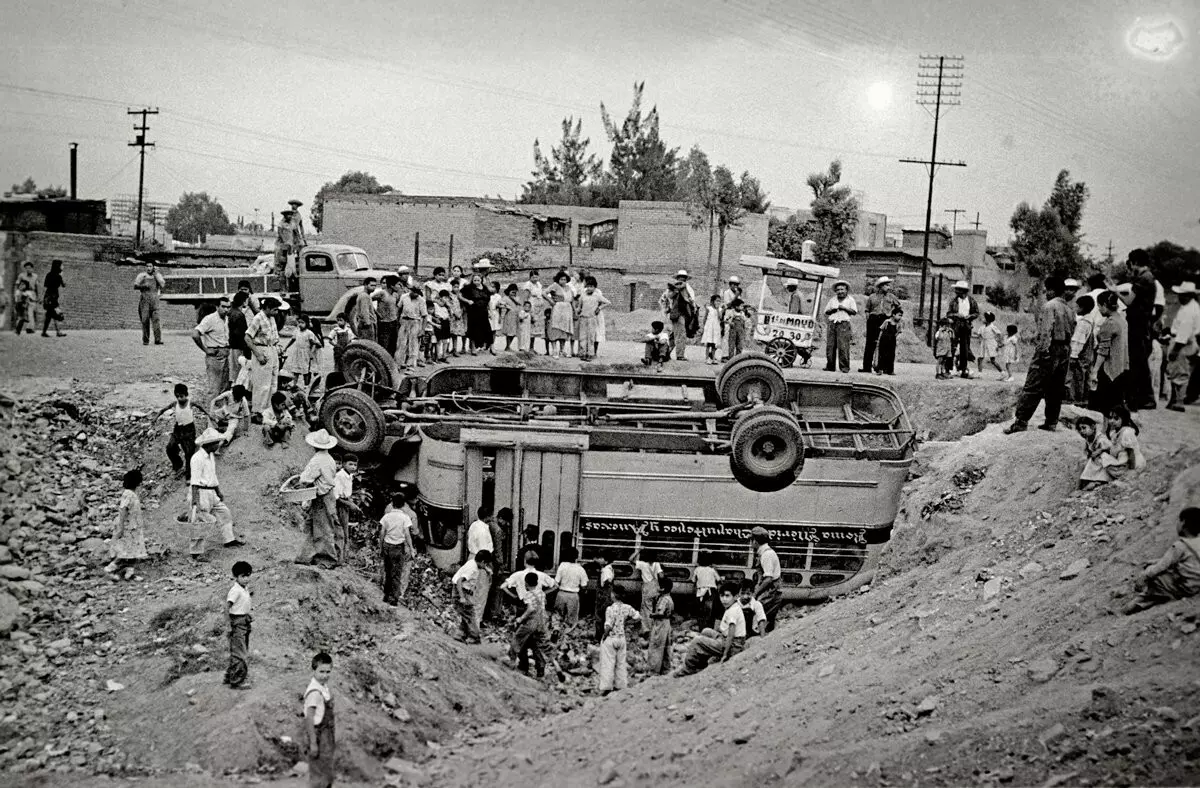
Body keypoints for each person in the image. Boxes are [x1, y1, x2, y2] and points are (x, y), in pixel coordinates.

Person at [1005, 277, 1076, 434]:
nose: (1045, 293)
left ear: (1051, 290)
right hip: (1064, 349)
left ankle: (1021, 421)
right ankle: (1051, 422)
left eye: (1046, 290)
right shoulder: (1070, 309)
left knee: (1033, 385)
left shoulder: (1049, 306)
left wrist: (1043, 352)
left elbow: (1045, 332)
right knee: (1056, 388)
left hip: (1050, 349)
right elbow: (1072, 331)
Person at [1122, 508, 1200, 614]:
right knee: (1164, 569)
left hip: (1184, 588)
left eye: (1179, 520)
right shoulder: (1196, 543)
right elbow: (1183, 560)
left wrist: (1144, 576)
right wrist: (1156, 561)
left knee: (1153, 575)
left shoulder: (1179, 546)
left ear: (1183, 523)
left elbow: (1162, 566)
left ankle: (1134, 606)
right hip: (1195, 585)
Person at [189, 428, 242, 559]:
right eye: (216, 442)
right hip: (201, 492)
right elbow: (194, 481)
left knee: (225, 513)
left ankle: (229, 539)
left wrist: (218, 492)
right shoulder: (197, 458)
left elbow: (213, 476)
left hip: (211, 492)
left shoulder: (211, 456)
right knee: (200, 522)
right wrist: (195, 500)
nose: (218, 445)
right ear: (209, 444)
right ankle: (196, 552)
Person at [675, 582, 747, 677]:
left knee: (697, 641)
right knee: (706, 631)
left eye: (727, 596)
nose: (724, 599)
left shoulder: (733, 611)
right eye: (722, 596)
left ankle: (689, 668)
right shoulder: (732, 607)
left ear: (735, 596)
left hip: (733, 645)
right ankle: (701, 661)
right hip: (726, 639)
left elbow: (731, 635)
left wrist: (725, 654)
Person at [296, 429, 340, 568]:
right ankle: (306, 556)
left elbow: (305, 478)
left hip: (322, 496)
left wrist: (300, 481)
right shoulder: (329, 458)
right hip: (327, 494)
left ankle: (328, 560)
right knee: (311, 525)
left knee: (324, 527)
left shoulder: (317, 460)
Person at [1124, 249, 1159, 410]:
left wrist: (1115, 292)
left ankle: (1142, 398)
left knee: (1137, 361)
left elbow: (1129, 301)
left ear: (1134, 262)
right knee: (1139, 361)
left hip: (1138, 324)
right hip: (1141, 323)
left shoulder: (1144, 278)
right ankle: (1142, 397)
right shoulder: (1148, 277)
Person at [1089, 291, 1129, 414]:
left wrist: (1094, 371)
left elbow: (1103, 350)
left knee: (1105, 405)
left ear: (1105, 305)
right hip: (1121, 367)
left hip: (1109, 368)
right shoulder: (1122, 320)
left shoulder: (1110, 323)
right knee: (1116, 403)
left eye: (1099, 306)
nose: (1099, 309)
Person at [104, 468, 149, 577]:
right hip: (129, 526)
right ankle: (110, 568)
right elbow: (123, 509)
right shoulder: (128, 494)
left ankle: (129, 572)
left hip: (134, 526)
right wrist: (121, 527)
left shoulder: (132, 494)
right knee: (125, 550)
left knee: (133, 550)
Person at [506, 572, 550, 679]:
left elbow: (530, 608)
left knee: (518, 639)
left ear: (525, 583)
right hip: (541, 622)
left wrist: (521, 618)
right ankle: (540, 669)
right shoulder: (541, 593)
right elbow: (543, 607)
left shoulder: (528, 594)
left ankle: (514, 662)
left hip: (531, 622)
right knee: (535, 645)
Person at [597, 586, 641, 694]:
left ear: (614, 595)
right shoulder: (627, 607)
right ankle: (620, 685)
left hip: (611, 638)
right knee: (621, 662)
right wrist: (627, 623)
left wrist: (604, 636)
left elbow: (608, 625)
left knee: (608, 662)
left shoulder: (610, 609)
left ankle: (606, 687)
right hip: (621, 637)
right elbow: (637, 617)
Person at [155, 383, 203, 480]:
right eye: (177, 396)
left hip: (189, 431)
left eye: (181, 396)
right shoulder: (174, 404)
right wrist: (155, 418)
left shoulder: (190, 403)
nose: (180, 399)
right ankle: (178, 466)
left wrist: (210, 416)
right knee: (170, 447)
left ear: (186, 395)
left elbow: (201, 408)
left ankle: (189, 476)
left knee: (189, 452)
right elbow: (163, 410)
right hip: (178, 429)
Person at [1164, 281, 1200, 412]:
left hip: (1183, 343)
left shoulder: (1190, 311)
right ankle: (1174, 400)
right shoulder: (1189, 307)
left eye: (1182, 295)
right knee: (1174, 371)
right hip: (1182, 340)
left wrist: (1175, 349)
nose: (1179, 297)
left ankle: (1179, 401)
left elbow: (1184, 332)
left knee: (1180, 372)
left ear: (1189, 295)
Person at [245, 297, 282, 420]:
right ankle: (258, 412)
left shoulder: (271, 318)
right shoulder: (257, 318)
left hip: (272, 350)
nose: (277, 312)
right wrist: (258, 354)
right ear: (267, 308)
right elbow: (247, 338)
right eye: (275, 309)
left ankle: (269, 410)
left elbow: (274, 337)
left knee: (273, 382)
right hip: (261, 350)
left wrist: (278, 348)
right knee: (262, 384)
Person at [303, 652, 336, 788]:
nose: (325, 675)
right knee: (318, 772)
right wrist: (313, 743)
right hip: (317, 734)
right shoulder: (314, 692)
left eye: (328, 671)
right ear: (314, 670)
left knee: (326, 768)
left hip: (326, 734)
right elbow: (309, 717)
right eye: (321, 671)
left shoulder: (323, 687)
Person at [380, 492, 416, 606]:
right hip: (398, 547)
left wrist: (381, 546)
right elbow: (407, 534)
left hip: (387, 545)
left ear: (392, 503)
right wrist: (411, 548)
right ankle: (394, 598)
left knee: (388, 570)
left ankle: (386, 595)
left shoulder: (387, 516)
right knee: (397, 573)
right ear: (403, 504)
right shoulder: (405, 517)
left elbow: (382, 533)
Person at [193, 297, 232, 398]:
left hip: (225, 352)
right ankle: (211, 411)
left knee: (224, 386)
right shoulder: (210, 319)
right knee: (214, 387)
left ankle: (220, 410)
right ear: (217, 307)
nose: (226, 309)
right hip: (215, 354)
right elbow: (195, 334)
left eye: (228, 307)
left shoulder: (226, 318)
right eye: (223, 307)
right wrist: (205, 349)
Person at [452, 549, 491, 644]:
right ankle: (474, 637)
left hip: (465, 591)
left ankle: (460, 634)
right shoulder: (472, 569)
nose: (485, 566)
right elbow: (459, 581)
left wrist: (485, 569)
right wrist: (461, 597)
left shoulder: (473, 563)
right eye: (485, 564)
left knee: (466, 614)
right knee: (470, 614)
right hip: (460, 591)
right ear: (482, 562)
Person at [224, 560, 253, 689]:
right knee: (239, 652)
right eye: (243, 576)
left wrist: (247, 614)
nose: (246, 579)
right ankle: (237, 680)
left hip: (244, 620)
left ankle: (229, 676)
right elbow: (227, 607)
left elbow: (242, 605)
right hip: (237, 622)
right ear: (236, 577)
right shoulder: (235, 590)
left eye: (248, 575)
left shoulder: (244, 588)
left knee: (241, 649)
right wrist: (228, 624)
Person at [862, 276, 899, 373]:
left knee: (884, 344)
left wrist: (892, 317)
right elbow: (867, 309)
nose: (888, 287)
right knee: (870, 343)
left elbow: (898, 307)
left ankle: (883, 368)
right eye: (886, 285)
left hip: (885, 320)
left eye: (889, 285)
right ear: (881, 286)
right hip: (873, 320)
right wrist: (868, 318)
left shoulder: (892, 297)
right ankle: (866, 367)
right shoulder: (872, 297)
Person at [945, 281, 979, 378]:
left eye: (958, 289)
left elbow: (976, 313)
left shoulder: (971, 301)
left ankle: (963, 368)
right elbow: (949, 314)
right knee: (952, 346)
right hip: (956, 325)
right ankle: (949, 368)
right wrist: (956, 315)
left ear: (963, 291)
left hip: (966, 325)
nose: (956, 291)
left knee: (965, 348)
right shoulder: (954, 301)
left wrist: (970, 316)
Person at [1066, 295, 1096, 404]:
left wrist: (1073, 356)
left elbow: (1078, 341)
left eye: (1077, 307)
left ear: (1082, 308)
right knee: (1083, 380)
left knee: (1075, 380)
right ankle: (1082, 401)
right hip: (1086, 358)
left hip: (1078, 357)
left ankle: (1074, 402)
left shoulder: (1083, 323)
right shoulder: (1090, 321)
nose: (1075, 309)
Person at [751, 526, 782, 632]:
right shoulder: (764, 553)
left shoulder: (767, 555)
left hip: (771, 590)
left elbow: (768, 579)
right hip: (770, 589)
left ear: (755, 541)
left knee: (757, 612)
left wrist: (755, 593)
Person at [823, 279, 857, 373]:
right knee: (830, 345)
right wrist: (833, 310)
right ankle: (830, 366)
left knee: (843, 346)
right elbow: (826, 311)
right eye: (838, 290)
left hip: (843, 324)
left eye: (842, 289)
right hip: (832, 323)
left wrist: (844, 308)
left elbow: (854, 312)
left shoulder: (850, 300)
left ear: (846, 290)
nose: (840, 291)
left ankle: (844, 367)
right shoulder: (832, 300)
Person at [552, 546, 588, 632]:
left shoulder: (562, 566)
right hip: (573, 595)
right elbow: (584, 585)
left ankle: (556, 629)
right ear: (577, 557)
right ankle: (567, 633)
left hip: (561, 594)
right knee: (572, 617)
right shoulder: (580, 569)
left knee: (557, 614)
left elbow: (556, 581)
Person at [576, 277, 610, 362]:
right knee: (583, 336)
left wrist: (599, 308)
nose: (589, 288)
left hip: (592, 318)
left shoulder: (597, 295)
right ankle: (583, 353)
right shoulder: (583, 295)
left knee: (591, 337)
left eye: (591, 286)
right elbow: (579, 306)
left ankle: (590, 354)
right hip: (583, 318)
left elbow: (608, 302)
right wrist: (577, 311)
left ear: (595, 287)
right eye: (588, 286)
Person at [646, 576, 675, 675]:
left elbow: (660, 613)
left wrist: (651, 615)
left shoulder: (663, 599)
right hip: (667, 623)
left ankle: (653, 670)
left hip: (661, 623)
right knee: (666, 645)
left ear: (662, 588)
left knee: (656, 645)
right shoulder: (669, 598)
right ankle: (665, 668)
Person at [1076, 416, 1115, 490]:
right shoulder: (1088, 439)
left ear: (1093, 427)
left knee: (1101, 459)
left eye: (1084, 428)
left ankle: (1100, 481)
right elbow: (1087, 450)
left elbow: (1111, 447)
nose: (1081, 431)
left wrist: (1101, 450)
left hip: (1104, 463)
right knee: (1083, 463)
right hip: (1096, 461)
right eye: (1079, 429)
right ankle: (1082, 485)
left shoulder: (1100, 438)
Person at [282, 314, 320, 388]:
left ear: (306, 323)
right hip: (297, 353)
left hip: (305, 353)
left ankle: (306, 386)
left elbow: (313, 344)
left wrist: (311, 353)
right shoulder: (297, 331)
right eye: (299, 322)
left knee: (305, 370)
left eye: (302, 323)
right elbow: (292, 340)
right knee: (295, 370)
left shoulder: (309, 333)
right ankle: (294, 384)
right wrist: (286, 347)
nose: (300, 324)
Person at [132, 260, 165, 345]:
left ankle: (158, 339)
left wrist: (156, 274)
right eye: (147, 266)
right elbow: (135, 286)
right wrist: (143, 286)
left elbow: (162, 285)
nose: (148, 268)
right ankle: (145, 340)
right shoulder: (142, 275)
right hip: (145, 300)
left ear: (153, 267)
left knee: (156, 320)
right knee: (145, 320)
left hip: (154, 300)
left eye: (150, 266)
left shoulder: (157, 276)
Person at [632, 549, 662, 638]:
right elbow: (661, 576)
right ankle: (657, 628)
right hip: (656, 587)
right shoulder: (657, 564)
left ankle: (647, 630)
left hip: (647, 587)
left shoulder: (643, 564)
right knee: (656, 608)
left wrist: (638, 551)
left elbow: (630, 559)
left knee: (646, 609)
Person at [460, 272, 492, 354]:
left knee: (487, 329)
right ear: (472, 280)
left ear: (481, 280)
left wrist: (490, 310)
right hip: (473, 311)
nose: (476, 281)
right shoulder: (469, 287)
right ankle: (473, 348)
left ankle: (491, 347)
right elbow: (459, 295)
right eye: (475, 280)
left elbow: (488, 300)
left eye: (478, 280)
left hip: (484, 311)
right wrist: (467, 301)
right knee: (473, 329)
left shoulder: (485, 288)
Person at [373, 276, 399, 356]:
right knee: (384, 345)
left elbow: (396, 306)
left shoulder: (395, 295)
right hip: (384, 323)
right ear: (391, 285)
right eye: (398, 284)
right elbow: (368, 300)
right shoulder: (382, 293)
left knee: (393, 345)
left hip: (393, 323)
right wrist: (376, 313)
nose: (399, 286)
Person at [693, 552, 720, 629]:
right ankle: (709, 627)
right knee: (711, 611)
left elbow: (693, 580)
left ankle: (701, 627)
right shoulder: (712, 570)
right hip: (711, 591)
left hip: (700, 592)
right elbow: (718, 579)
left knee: (700, 611)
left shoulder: (697, 569)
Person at [41, 259, 66, 338]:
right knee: (56, 313)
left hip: (48, 296)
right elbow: (63, 285)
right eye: (62, 265)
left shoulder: (48, 274)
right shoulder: (58, 276)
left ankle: (45, 332)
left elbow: (45, 287)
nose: (63, 266)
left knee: (49, 315)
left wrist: (42, 298)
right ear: (58, 266)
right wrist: (62, 276)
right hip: (53, 298)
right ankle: (58, 332)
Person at [876, 305, 903, 376]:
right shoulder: (887, 322)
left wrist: (894, 337)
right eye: (899, 315)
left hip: (892, 341)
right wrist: (879, 340)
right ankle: (880, 369)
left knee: (891, 355)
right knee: (882, 354)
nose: (900, 317)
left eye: (901, 316)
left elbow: (898, 332)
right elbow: (881, 330)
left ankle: (890, 370)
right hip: (884, 340)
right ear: (893, 315)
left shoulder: (899, 324)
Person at [350, 277, 378, 343]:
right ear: (365, 285)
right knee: (367, 344)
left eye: (375, 286)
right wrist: (368, 323)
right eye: (371, 285)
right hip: (366, 325)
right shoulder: (364, 296)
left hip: (366, 324)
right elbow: (364, 311)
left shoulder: (366, 295)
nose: (373, 288)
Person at [594, 554, 614, 643]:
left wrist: (602, 594)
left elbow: (608, 581)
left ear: (605, 561)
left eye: (600, 558)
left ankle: (599, 637)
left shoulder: (606, 570)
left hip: (603, 596)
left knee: (600, 617)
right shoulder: (607, 568)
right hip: (605, 595)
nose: (598, 559)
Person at [977, 312, 1005, 377]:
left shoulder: (992, 327)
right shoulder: (982, 327)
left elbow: (999, 334)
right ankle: (980, 373)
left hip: (991, 344)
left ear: (988, 320)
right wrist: (980, 338)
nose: (982, 319)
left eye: (984, 318)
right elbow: (979, 334)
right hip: (984, 344)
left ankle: (1002, 373)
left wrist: (999, 343)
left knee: (993, 361)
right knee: (980, 358)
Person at [15, 261, 38, 332]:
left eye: (30, 268)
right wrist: (17, 294)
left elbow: (36, 287)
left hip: (32, 294)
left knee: (31, 311)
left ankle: (30, 328)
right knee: (23, 312)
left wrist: (38, 296)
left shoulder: (35, 276)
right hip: (24, 294)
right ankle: (20, 327)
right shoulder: (21, 276)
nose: (28, 270)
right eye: (26, 268)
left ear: (32, 269)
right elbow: (17, 285)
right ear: (25, 269)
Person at [701, 294, 724, 365]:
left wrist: (717, 309)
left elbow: (720, 317)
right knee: (708, 343)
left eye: (719, 301)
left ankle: (713, 358)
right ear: (713, 301)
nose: (718, 302)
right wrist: (705, 327)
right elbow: (705, 318)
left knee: (714, 344)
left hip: (716, 328)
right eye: (717, 301)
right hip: (709, 328)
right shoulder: (709, 308)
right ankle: (707, 358)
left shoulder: (720, 310)